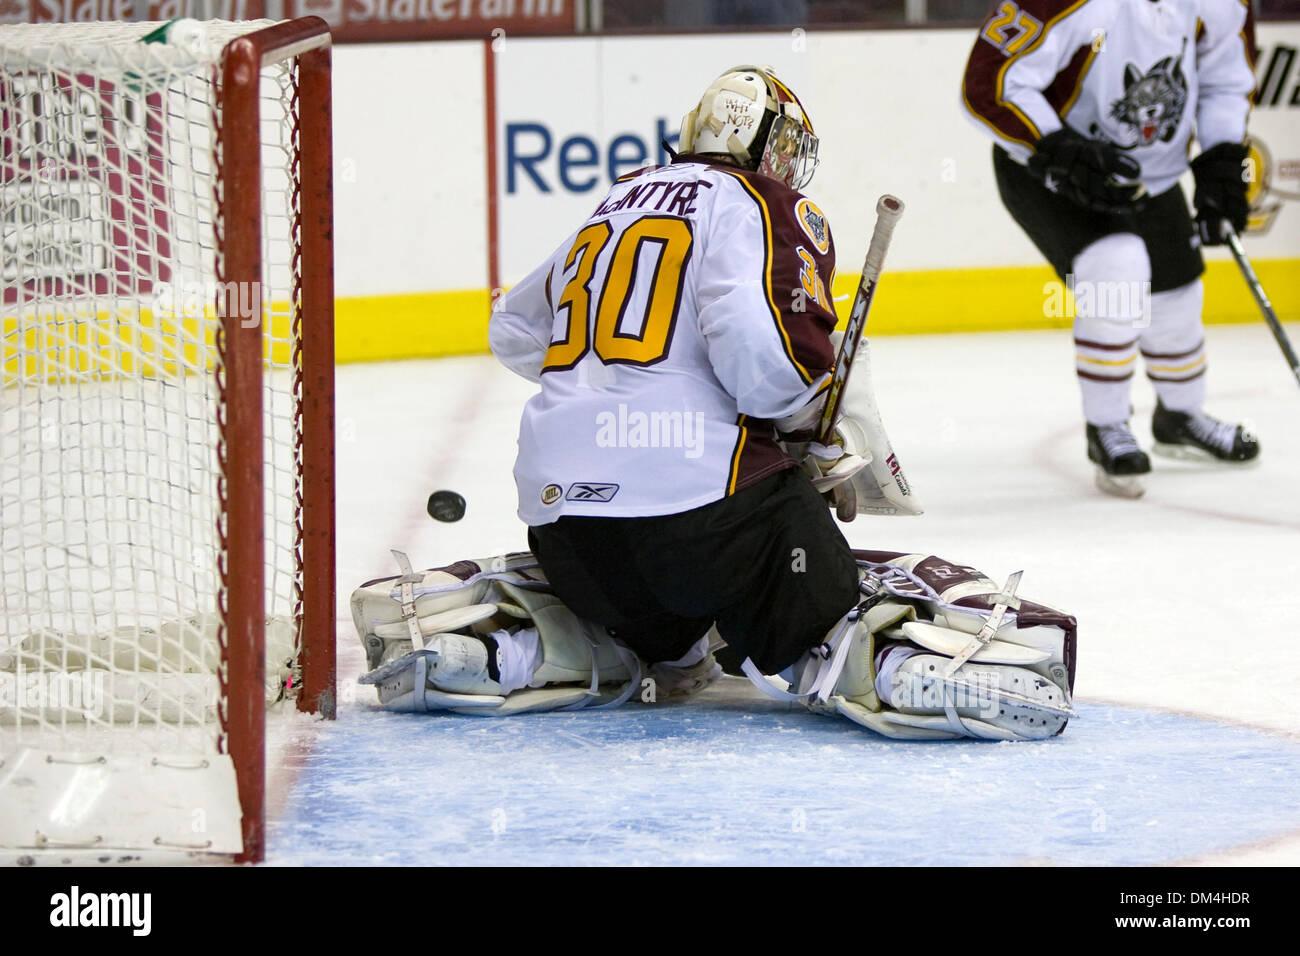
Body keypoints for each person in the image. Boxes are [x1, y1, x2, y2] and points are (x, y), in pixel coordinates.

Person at [351, 67, 1076, 741]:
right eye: (785, 144)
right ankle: (888, 667)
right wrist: (807, 436)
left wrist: (616, 377)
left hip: (566, 529)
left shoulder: (619, 197)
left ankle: (503, 651)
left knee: (648, 637)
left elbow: (512, 328)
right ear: (756, 141)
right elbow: (772, 378)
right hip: (705, 524)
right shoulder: (763, 203)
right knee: (819, 606)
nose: (790, 163)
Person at [961, 0, 1261, 497]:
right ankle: (1107, 427)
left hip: (1151, 173)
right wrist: (1057, 149)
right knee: (1116, 270)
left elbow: (1225, 78)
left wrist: (1221, 156)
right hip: (1046, 168)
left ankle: (1181, 416)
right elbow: (990, 83)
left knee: (1177, 295)